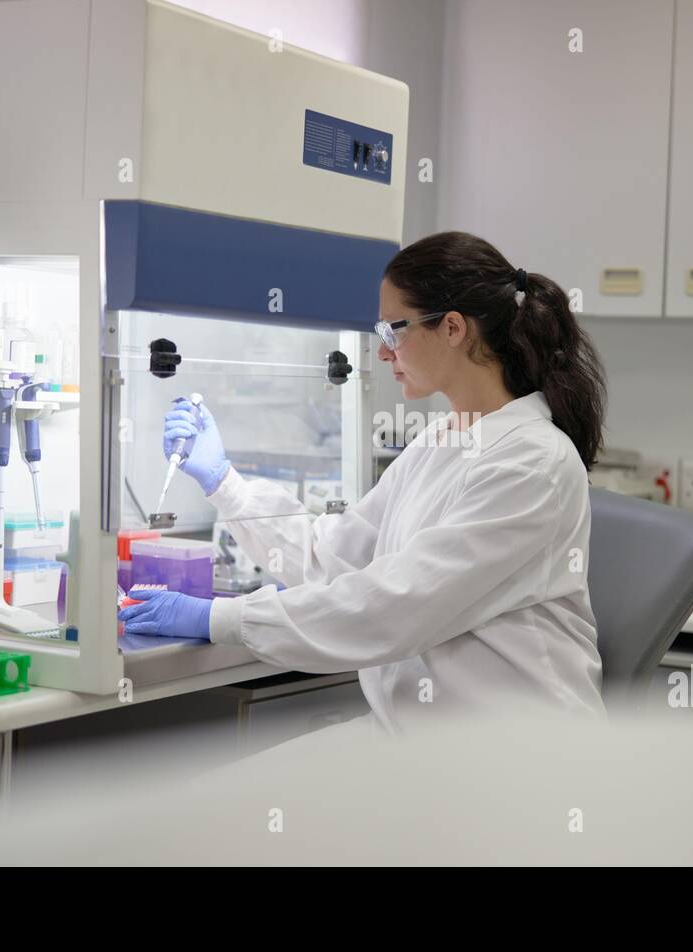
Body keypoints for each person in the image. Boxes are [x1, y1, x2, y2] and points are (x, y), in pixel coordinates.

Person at [120, 231, 609, 733]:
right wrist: (224, 481)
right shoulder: (444, 440)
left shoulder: (533, 463)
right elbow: (329, 559)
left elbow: (395, 607)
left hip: (521, 760)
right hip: (427, 744)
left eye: (392, 330)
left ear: (454, 328)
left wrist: (217, 619)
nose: (381, 352)